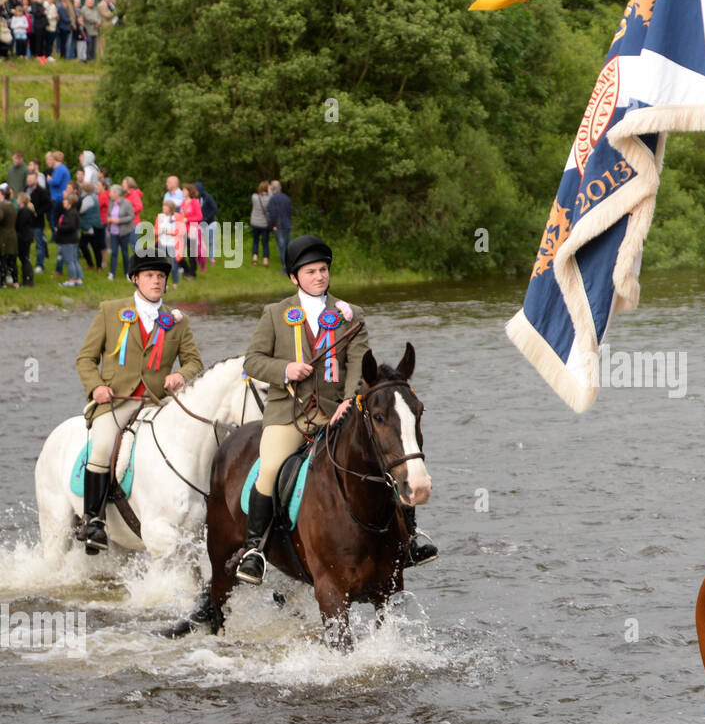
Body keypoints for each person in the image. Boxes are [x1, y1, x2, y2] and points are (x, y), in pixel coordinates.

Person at [237, 234, 437, 583]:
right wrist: (285, 369)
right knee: (268, 468)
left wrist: (348, 398)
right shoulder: (275, 315)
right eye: (311, 271)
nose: (319, 276)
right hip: (290, 413)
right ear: (294, 277)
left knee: (387, 456)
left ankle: (412, 537)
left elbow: (359, 361)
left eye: (324, 270)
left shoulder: (350, 315)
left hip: (337, 410)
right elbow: (253, 361)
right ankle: (255, 548)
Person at [72, 250, 203, 552]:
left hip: (158, 404)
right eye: (149, 276)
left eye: (161, 276)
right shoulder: (110, 311)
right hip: (116, 401)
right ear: (135, 279)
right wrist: (95, 388)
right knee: (103, 446)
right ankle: (94, 521)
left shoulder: (176, 320)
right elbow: (86, 359)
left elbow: (194, 361)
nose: (157, 281)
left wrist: (181, 375)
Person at [54, 187, 84, 286]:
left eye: (65, 201)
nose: (63, 202)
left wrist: (59, 228)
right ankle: (78, 279)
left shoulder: (70, 214)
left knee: (69, 261)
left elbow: (70, 226)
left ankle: (71, 280)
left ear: (70, 203)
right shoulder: (73, 212)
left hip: (68, 241)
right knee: (74, 260)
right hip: (73, 240)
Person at [106, 184, 135, 280]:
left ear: (117, 193)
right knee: (114, 252)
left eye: (111, 192)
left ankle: (127, 273)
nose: (110, 194)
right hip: (113, 232)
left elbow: (131, 216)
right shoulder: (111, 202)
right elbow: (109, 214)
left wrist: (118, 220)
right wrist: (109, 219)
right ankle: (112, 273)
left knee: (124, 252)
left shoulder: (126, 203)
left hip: (124, 232)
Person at [267, 180, 292, 269]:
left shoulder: (273, 199)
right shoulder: (287, 198)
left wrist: (272, 226)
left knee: (282, 248)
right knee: (287, 247)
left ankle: (286, 269)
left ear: (272, 189)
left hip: (279, 226)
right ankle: (291, 266)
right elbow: (290, 211)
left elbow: (272, 214)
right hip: (288, 225)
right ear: (280, 188)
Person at [15, 190, 38, 285]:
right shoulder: (27, 210)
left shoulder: (24, 211)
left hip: (24, 237)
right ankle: (27, 279)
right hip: (27, 236)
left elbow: (20, 224)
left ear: (21, 200)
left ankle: (28, 279)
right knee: (24, 258)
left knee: (24, 258)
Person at [250, 182, 272, 265]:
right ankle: (265, 260)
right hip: (264, 224)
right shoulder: (269, 198)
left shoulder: (254, 197)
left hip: (255, 222)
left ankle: (255, 258)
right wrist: (269, 190)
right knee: (265, 243)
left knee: (255, 241)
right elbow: (271, 196)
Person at [0, 187, 18, 287]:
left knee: (3, 260)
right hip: (12, 235)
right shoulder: (12, 205)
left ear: (2, 195)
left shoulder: (2, 206)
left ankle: (2, 283)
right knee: (12, 260)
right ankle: (15, 282)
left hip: (4, 237)